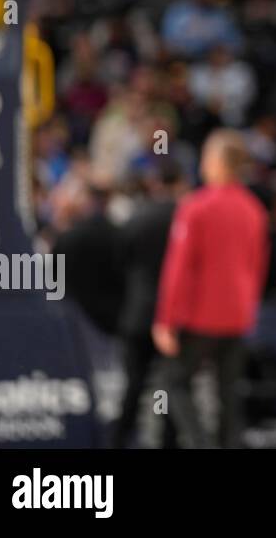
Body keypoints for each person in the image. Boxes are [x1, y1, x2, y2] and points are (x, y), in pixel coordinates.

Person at [153, 130, 269, 448]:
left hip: (200, 316)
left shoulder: (196, 207)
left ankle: (200, 442)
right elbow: (257, 266)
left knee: (174, 383)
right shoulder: (254, 209)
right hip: (238, 317)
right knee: (228, 393)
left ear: (217, 162)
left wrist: (165, 319)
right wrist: (249, 309)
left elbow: (177, 269)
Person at [112, 160, 188, 448]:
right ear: (180, 182)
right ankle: (169, 443)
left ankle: (118, 441)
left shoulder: (138, 218)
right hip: (172, 318)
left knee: (133, 387)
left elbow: (119, 260)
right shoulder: (185, 218)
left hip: (138, 314)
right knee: (171, 387)